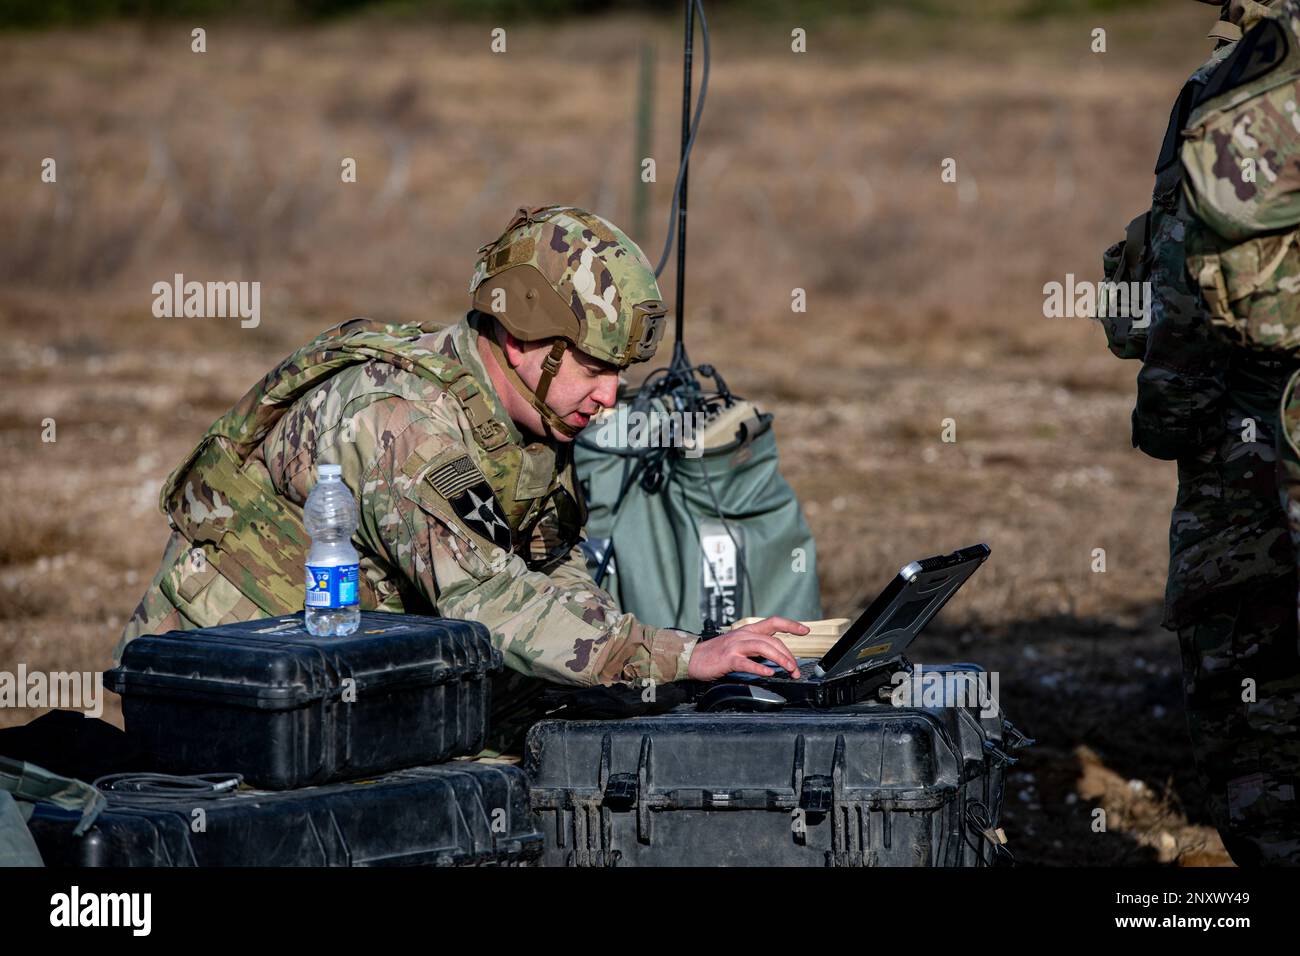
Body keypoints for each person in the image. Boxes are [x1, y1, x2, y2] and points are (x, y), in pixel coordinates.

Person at [115, 204, 808, 749]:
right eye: (595, 368)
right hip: (222, 690)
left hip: (342, 662)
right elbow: (489, 599)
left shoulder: (525, 418)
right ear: (523, 339)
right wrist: (679, 656)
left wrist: (671, 666)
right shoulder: (402, 422)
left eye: (619, 373)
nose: (610, 397)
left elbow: (550, 568)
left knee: (598, 726)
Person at [1101, 0, 1300, 864]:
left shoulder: (1243, 78)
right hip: (1246, 437)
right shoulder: (1237, 75)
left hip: (1252, 441)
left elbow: (1189, 284)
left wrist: (1172, 410)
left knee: (1256, 721)